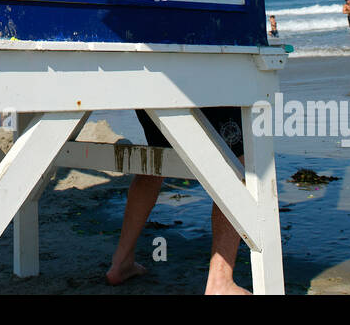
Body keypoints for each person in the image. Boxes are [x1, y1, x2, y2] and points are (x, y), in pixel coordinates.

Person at [106, 108, 251, 294]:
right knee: (237, 162)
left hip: (145, 90)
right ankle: (220, 281)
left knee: (158, 154)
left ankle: (121, 261)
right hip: (190, 88)